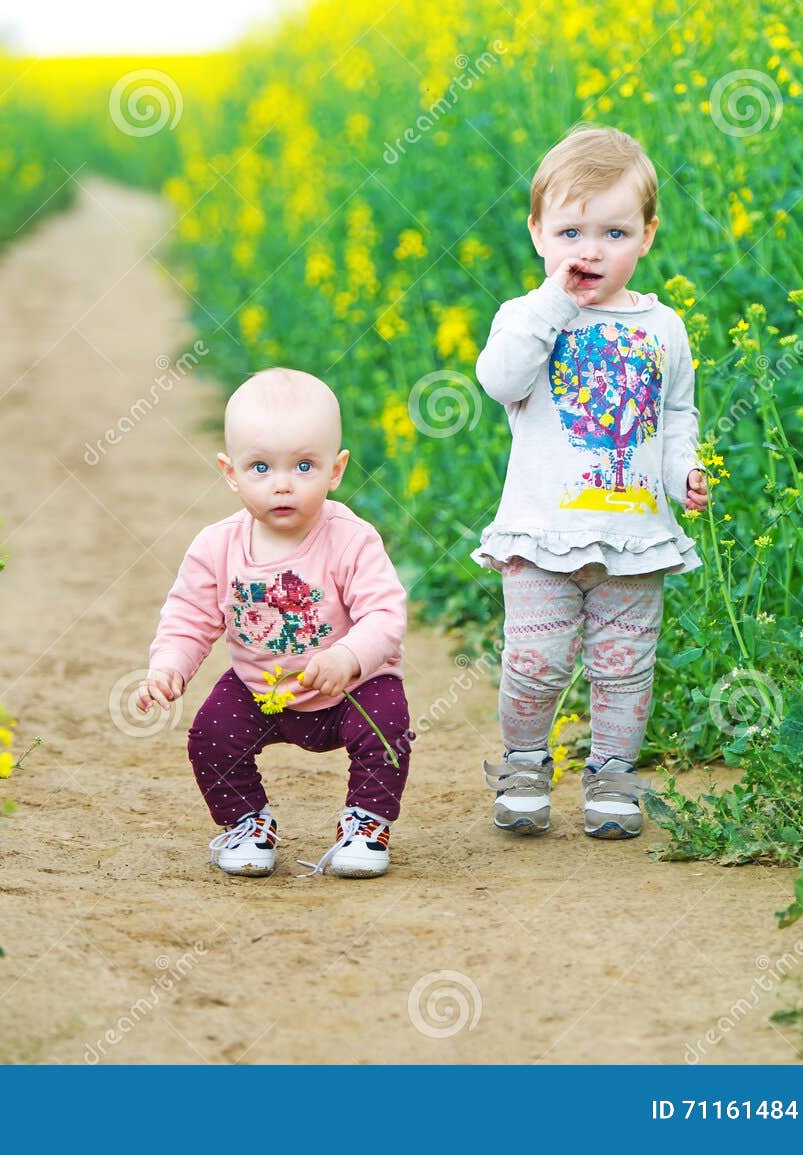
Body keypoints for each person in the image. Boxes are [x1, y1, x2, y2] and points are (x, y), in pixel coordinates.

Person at [472, 123, 710, 840]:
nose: (591, 250)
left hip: (635, 536)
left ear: (647, 236)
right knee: (536, 660)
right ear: (538, 232)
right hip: (541, 534)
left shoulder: (664, 326)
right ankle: (522, 760)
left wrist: (684, 472)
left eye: (614, 231)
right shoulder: (527, 316)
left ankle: (611, 772)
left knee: (625, 667)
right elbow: (499, 379)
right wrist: (555, 302)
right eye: (571, 231)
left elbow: (674, 416)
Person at [136, 367, 413, 877]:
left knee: (388, 724)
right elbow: (190, 616)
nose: (282, 485)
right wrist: (169, 665)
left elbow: (385, 612)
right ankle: (246, 822)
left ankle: (367, 823)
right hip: (260, 687)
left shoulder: (351, 538)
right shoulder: (217, 546)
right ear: (230, 472)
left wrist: (349, 656)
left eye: (304, 466)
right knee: (211, 736)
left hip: (348, 687)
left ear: (336, 469)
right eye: (260, 468)